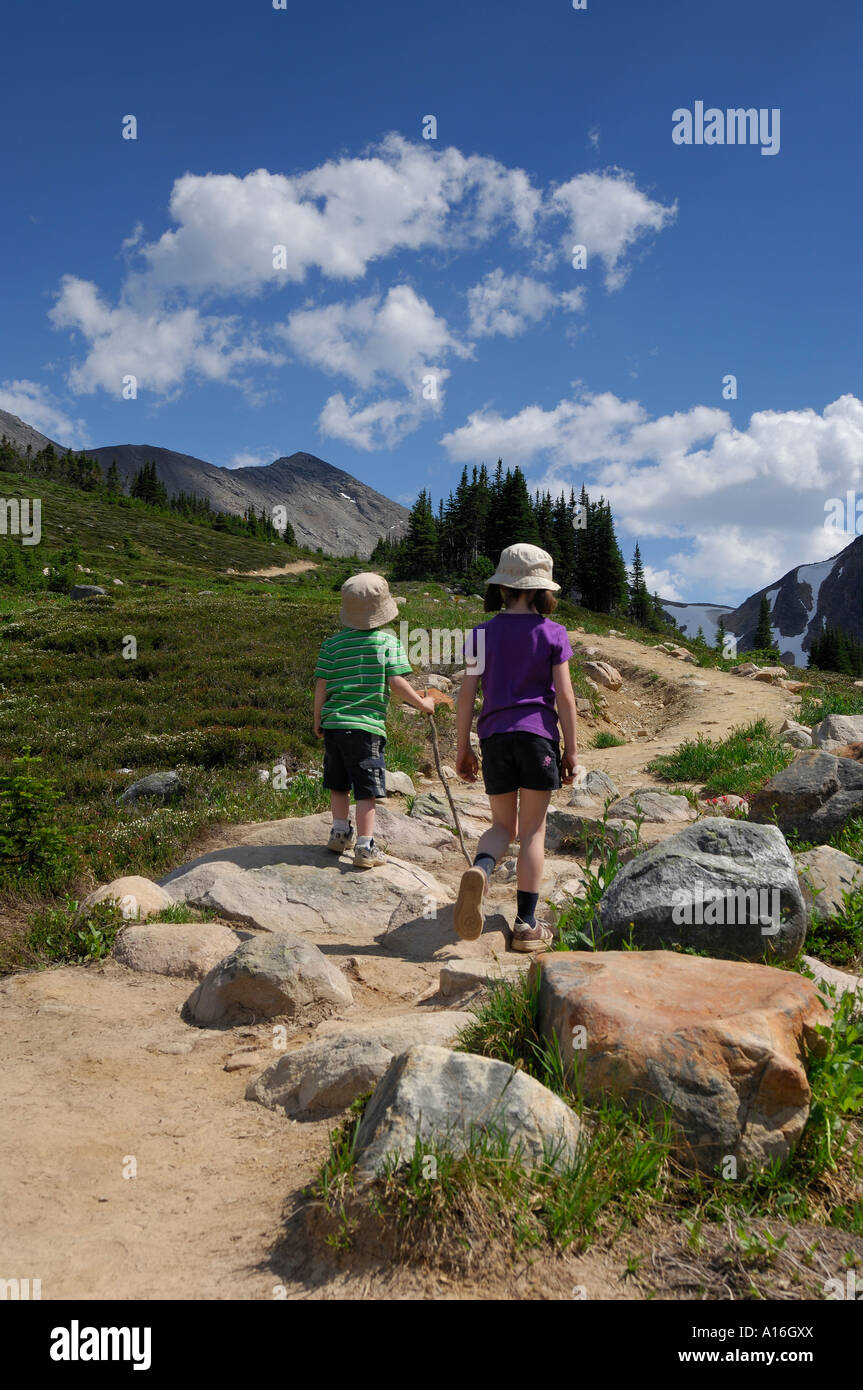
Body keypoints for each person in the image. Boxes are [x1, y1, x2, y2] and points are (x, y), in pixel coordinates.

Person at [454, 543, 578, 950]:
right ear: (543, 589)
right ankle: (526, 925)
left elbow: (467, 694)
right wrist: (571, 751)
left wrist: (463, 748)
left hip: (495, 737)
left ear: (503, 587)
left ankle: (483, 872)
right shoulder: (552, 633)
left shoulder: (480, 635)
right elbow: (565, 698)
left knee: (501, 827)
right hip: (538, 736)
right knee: (533, 833)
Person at [313, 572, 434, 867]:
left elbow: (321, 686)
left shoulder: (332, 645)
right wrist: (423, 703)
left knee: (338, 784)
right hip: (366, 728)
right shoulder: (387, 643)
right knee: (366, 790)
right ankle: (366, 848)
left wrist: (317, 720)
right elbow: (396, 682)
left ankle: (340, 833)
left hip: (334, 726)